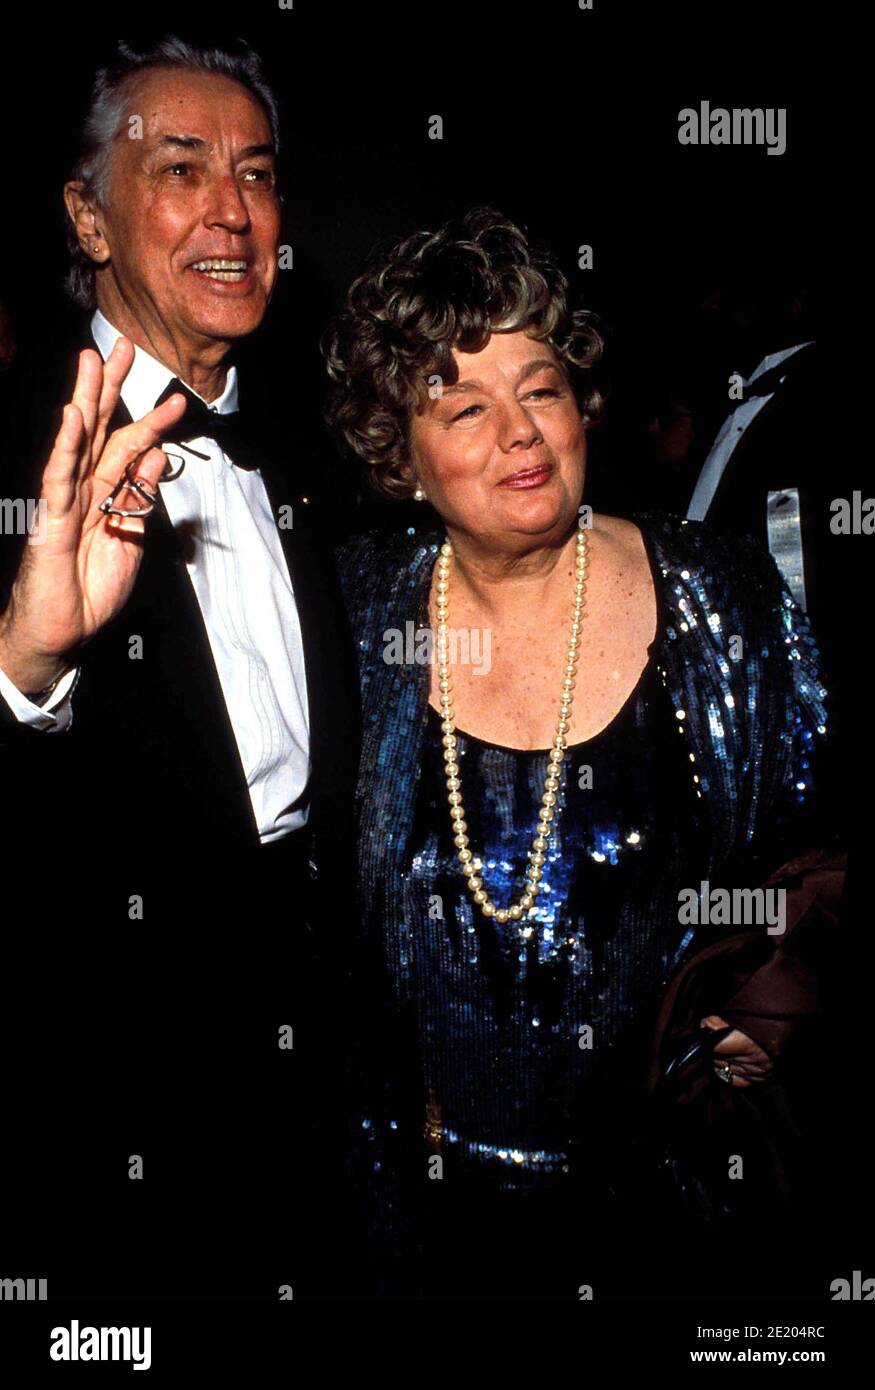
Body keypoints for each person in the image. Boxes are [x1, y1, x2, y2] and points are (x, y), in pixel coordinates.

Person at [322, 207, 833, 1300]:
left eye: (540, 389)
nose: (520, 433)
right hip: (411, 1227)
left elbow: (816, 848)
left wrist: (764, 995)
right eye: (464, 405)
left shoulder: (716, 595)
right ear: (396, 456)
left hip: (663, 1219)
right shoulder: (353, 620)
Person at [0, 37, 360, 1300]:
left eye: (256, 173)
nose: (232, 210)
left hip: (320, 1105)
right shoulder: (14, 450)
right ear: (86, 217)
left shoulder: (316, 453)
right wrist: (26, 663)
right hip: (108, 1123)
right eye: (182, 167)